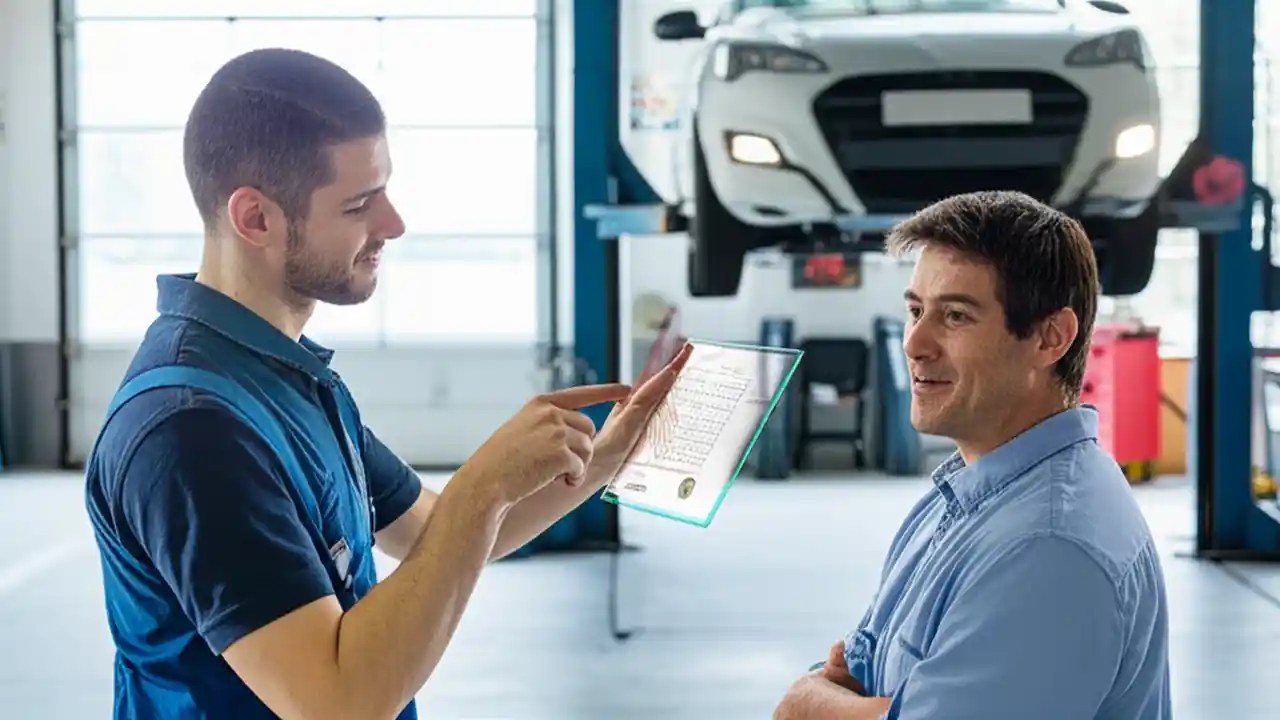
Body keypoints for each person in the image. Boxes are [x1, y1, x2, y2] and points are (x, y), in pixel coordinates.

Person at [84, 48, 688, 720]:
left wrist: (606, 459)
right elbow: (338, 703)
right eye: (360, 204)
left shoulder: (286, 376)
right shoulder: (192, 429)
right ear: (255, 218)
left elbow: (440, 536)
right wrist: (483, 483)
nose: (393, 224)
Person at [773, 191, 1171, 720]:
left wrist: (809, 707)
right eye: (916, 310)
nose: (915, 343)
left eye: (956, 316)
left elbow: (833, 695)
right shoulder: (965, 491)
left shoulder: (1048, 549)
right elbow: (859, 665)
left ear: (1050, 339)